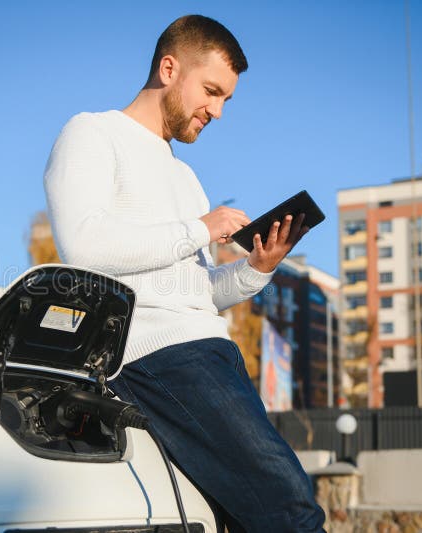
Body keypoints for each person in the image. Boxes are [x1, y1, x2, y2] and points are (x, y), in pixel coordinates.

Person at [43, 14, 325, 532]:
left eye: (226, 100)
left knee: (235, 520)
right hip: (156, 356)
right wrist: (199, 228)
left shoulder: (184, 174)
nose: (217, 111)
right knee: (291, 507)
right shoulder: (92, 132)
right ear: (169, 68)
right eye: (212, 91)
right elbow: (83, 248)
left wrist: (256, 269)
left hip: (211, 353)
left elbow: (192, 292)